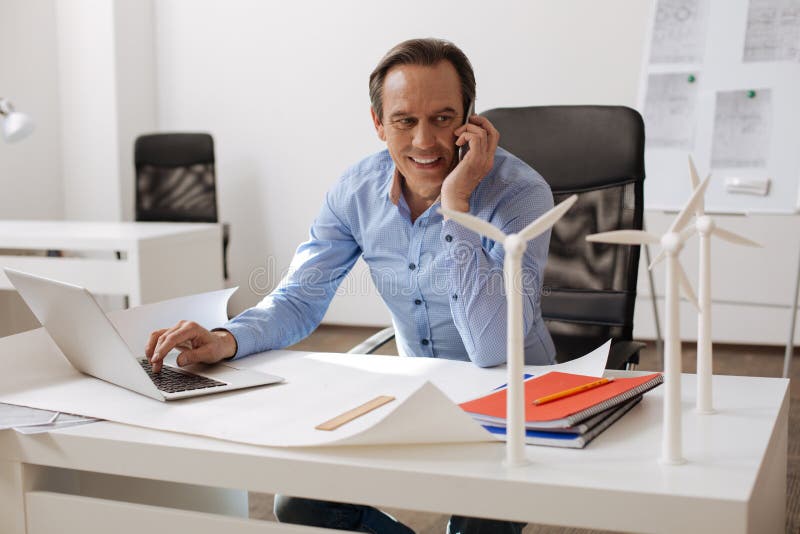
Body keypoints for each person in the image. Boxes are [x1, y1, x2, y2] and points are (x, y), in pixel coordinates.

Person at [145, 38, 555, 534]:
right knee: (299, 503)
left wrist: (457, 203)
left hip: (512, 396)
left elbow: (492, 349)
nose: (425, 141)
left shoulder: (520, 193)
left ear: (470, 120)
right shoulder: (356, 190)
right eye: (405, 120)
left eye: (443, 118)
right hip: (420, 394)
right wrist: (226, 338)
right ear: (378, 123)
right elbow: (300, 296)